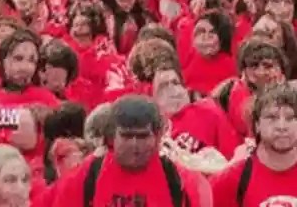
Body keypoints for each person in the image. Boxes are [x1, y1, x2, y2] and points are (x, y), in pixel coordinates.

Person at [51, 96, 211, 207]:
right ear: (111, 137)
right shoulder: (84, 178)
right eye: (127, 136)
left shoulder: (183, 182)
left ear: (157, 137)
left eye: (142, 136)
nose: (134, 145)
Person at [209, 82, 297, 207]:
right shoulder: (231, 179)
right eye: (272, 117)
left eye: (291, 118)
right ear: (257, 124)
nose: (281, 127)